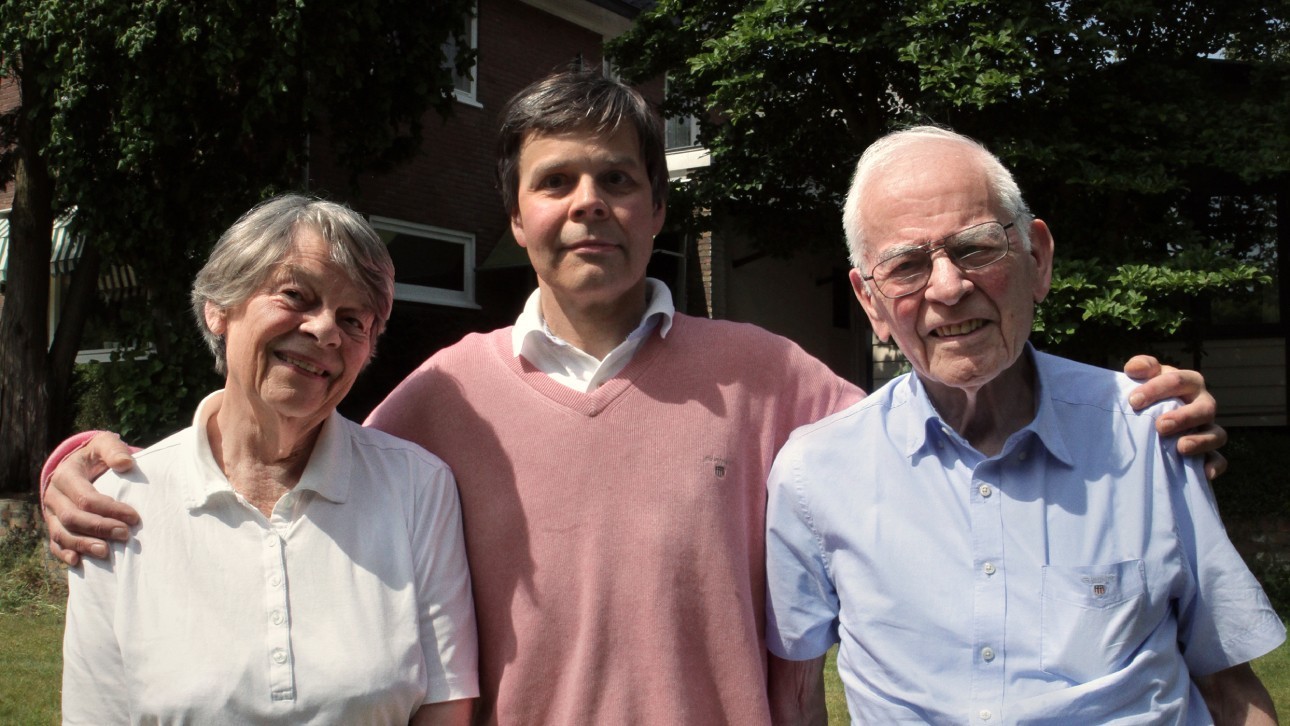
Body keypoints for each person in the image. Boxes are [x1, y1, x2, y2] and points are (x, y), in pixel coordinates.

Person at [45, 73, 1224, 724]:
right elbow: (300, 463)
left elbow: (951, 426)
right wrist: (90, 465)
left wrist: (1128, 411)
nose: (590, 203)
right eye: (557, 182)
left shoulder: (770, 380)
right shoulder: (441, 397)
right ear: (517, 216)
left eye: (620, 180)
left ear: (660, 210)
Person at [765, 126, 1283, 724]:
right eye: (906, 266)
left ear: (1037, 260)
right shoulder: (815, 473)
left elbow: (1229, 688)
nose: (950, 287)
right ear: (871, 303)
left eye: (977, 247)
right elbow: (797, 696)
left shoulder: (1147, 433)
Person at [61, 195, 478, 725]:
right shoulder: (120, 503)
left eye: (354, 321)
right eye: (296, 295)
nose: (326, 329)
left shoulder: (418, 489)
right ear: (219, 308)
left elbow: (446, 708)